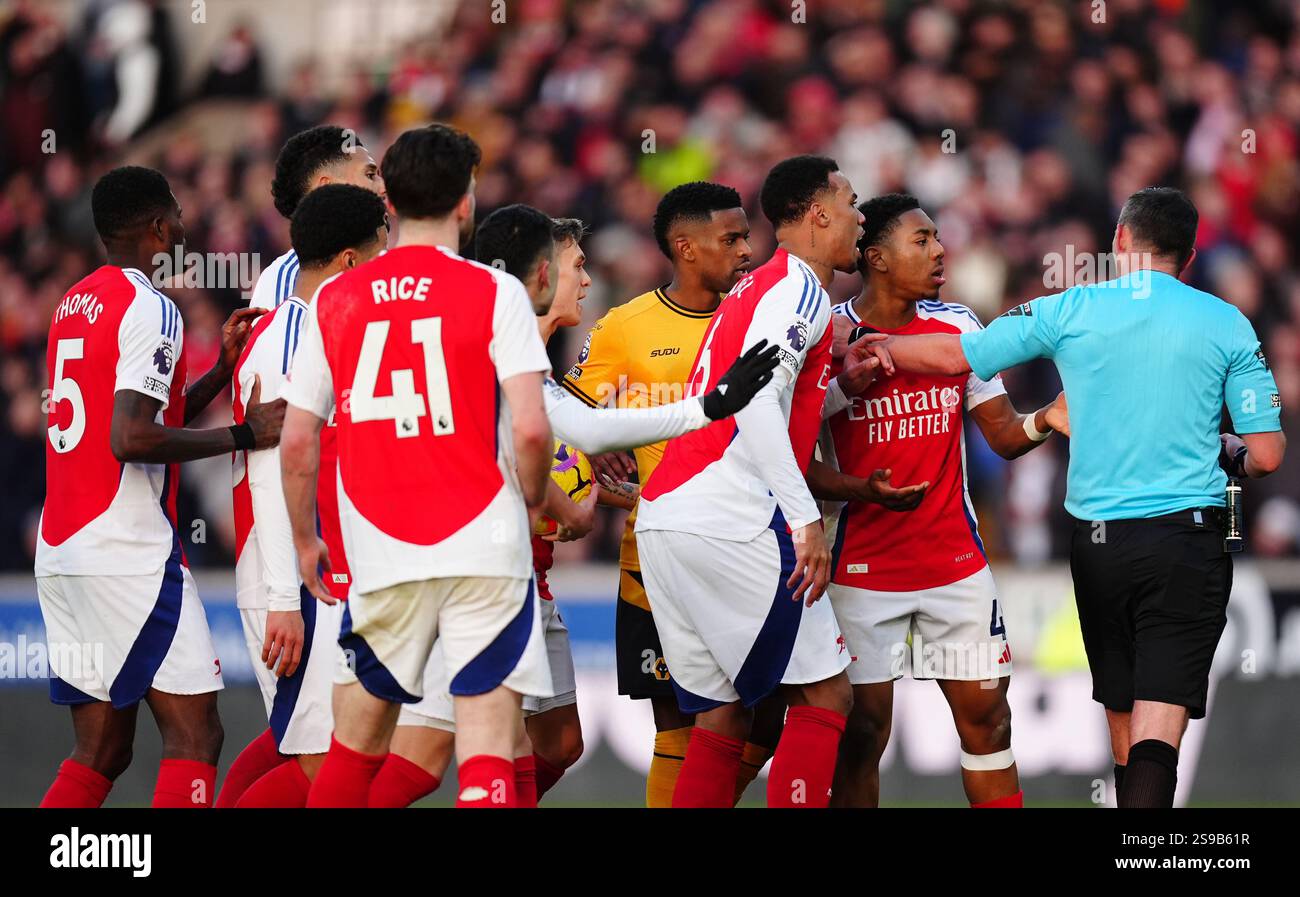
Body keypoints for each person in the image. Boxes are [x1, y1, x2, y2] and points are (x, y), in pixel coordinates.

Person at [859, 186, 1286, 808]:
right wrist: (1229, 452)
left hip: (1098, 546)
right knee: (1158, 726)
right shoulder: (1225, 322)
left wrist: (881, 347)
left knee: (1122, 718)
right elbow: (1268, 454)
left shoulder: (1070, 308)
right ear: (1188, 257)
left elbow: (959, 355)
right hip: (1186, 543)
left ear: (1119, 242)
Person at [370, 203, 780, 807]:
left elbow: (564, 435)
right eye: (576, 266)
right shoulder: (495, 349)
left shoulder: (527, 357)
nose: (587, 280)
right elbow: (549, 441)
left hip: (524, 578)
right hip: (478, 579)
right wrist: (707, 408)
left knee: (556, 744)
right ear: (539, 274)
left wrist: (601, 491)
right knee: (439, 755)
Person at [633, 155, 877, 808]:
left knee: (724, 715)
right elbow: (755, 404)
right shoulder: (796, 287)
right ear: (820, 211)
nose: (862, 217)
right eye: (853, 202)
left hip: (667, 517)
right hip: (730, 517)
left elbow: (758, 399)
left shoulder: (755, 291)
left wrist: (837, 392)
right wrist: (805, 521)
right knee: (827, 694)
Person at [36, 165, 284, 808]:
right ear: (156, 226)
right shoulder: (153, 306)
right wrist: (244, 436)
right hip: (125, 548)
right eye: (176, 212)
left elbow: (135, 423)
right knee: (196, 735)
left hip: (64, 545)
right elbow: (132, 441)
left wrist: (218, 375)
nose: (185, 224)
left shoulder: (74, 302)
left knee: (102, 750)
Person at [811, 193, 1067, 808]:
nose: (939, 250)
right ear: (874, 256)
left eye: (938, 238)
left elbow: (1003, 436)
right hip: (860, 571)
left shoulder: (960, 328)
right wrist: (857, 487)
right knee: (862, 734)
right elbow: (791, 457)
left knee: (990, 724)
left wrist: (1046, 420)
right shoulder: (825, 334)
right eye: (921, 240)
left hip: (954, 565)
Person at [562, 181, 784, 806]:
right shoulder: (625, 327)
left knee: (768, 718)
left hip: (760, 549)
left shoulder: (769, 316)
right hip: (657, 560)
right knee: (680, 720)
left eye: (748, 236)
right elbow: (559, 429)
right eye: (732, 238)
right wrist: (601, 485)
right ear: (685, 247)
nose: (748, 249)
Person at [218, 185, 390, 808]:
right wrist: (286, 600)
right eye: (382, 249)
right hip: (300, 582)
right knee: (327, 770)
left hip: (319, 572)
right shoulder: (297, 330)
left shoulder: (322, 324)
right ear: (350, 261)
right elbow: (272, 464)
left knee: (330, 759)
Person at [248, 125, 386, 309]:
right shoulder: (286, 281)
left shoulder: (390, 261)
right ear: (326, 188)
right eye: (370, 175)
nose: (383, 187)